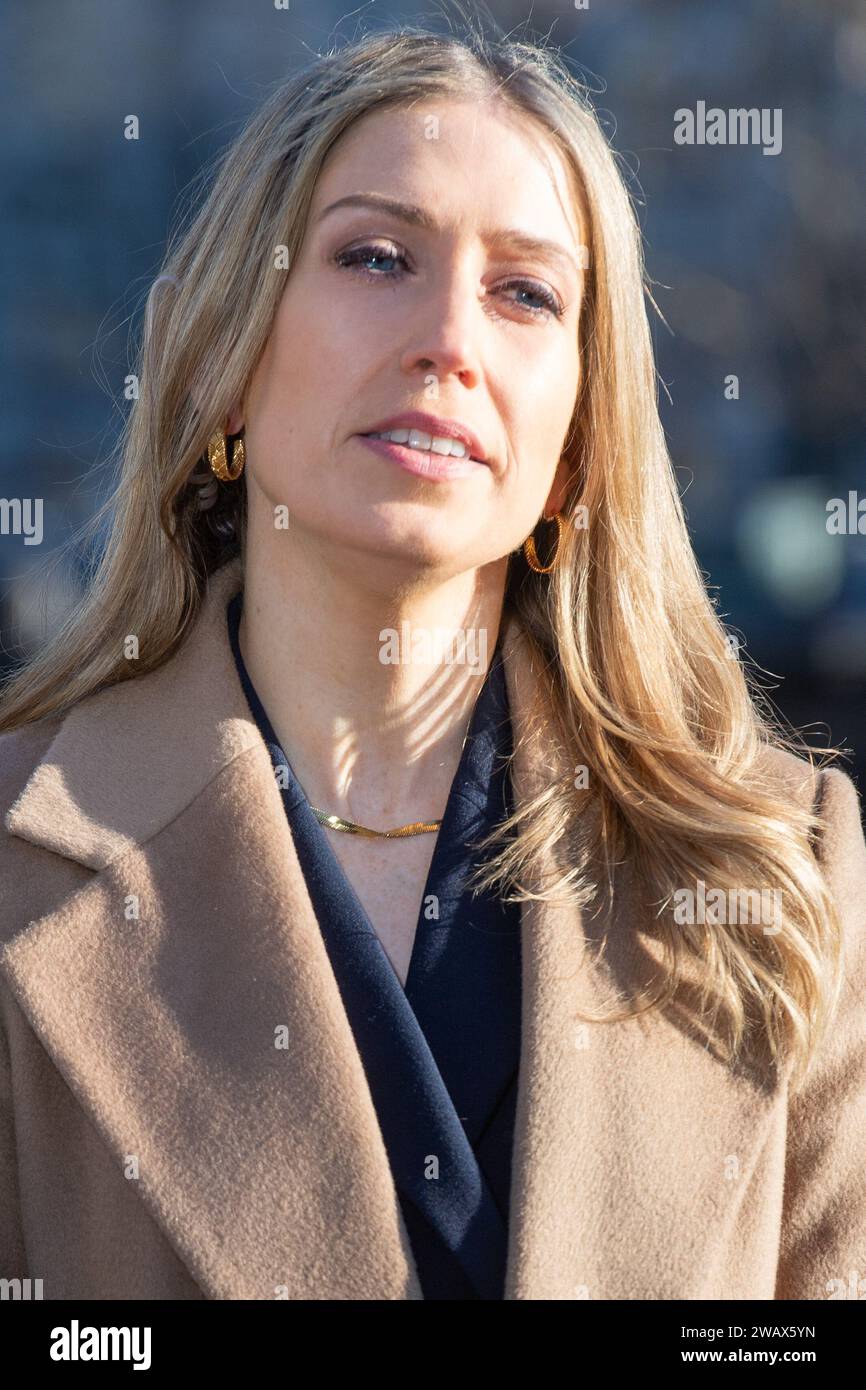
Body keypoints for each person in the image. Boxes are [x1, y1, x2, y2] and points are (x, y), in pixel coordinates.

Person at [1, 24, 864, 1302]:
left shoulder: (784, 874)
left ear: (575, 444)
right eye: (375, 256)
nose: (447, 336)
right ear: (230, 367)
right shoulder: (23, 862)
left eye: (525, 293)